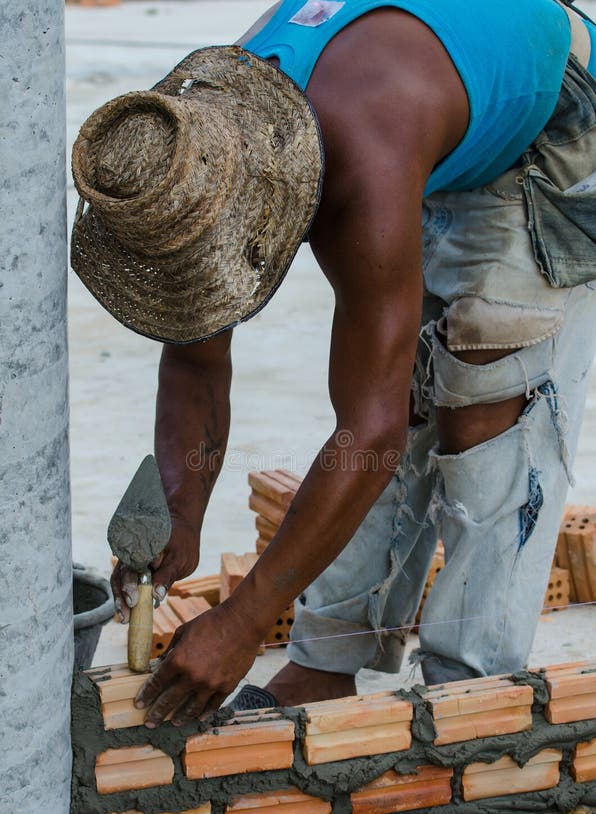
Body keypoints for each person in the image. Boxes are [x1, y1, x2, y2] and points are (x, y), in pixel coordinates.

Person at [71, 0, 596, 728]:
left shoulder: (363, 162)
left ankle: (472, 695)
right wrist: (181, 510)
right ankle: (325, 665)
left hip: (550, 110)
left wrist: (245, 618)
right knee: (394, 388)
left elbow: (369, 433)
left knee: (482, 396)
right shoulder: (189, 142)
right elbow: (195, 365)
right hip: (432, 98)